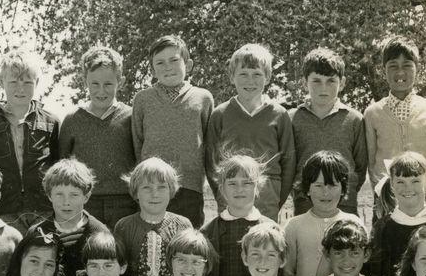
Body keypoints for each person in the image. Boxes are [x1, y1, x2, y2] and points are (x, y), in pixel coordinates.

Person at [204, 43, 296, 220]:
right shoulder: (220, 114)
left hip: (267, 201)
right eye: (243, 74)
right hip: (230, 200)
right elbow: (211, 164)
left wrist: (276, 198)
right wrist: (222, 197)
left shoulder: (279, 114)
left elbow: (289, 162)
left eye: (257, 74)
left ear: (268, 77)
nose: (250, 81)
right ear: (232, 77)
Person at [131, 34, 215, 226]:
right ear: (152, 70)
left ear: (189, 64)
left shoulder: (203, 98)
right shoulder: (142, 99)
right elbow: (137, 142)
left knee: (187, 244)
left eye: (174, 60)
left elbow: (209, 146)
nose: (167, 67)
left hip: (189, 187)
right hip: (151, 187)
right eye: (159, 63)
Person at [0, 49, 60, 232]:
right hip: (3, 211)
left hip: (43, 210)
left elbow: (59, 167)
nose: (20, 89)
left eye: (27, 82)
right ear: (2, 82)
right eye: (13, 82)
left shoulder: (51, 123)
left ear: (37, 83)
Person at [57, 45, 136, 230]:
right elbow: (62, 164)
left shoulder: (131, 117)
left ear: (121, 82)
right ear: (85, 81)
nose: (101, 91)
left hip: (125, 203)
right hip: (84, 203)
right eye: (95, 84)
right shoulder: (72, 120)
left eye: (108, 84)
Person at [364, 35, 426, 208]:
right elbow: (371, 163)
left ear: (417, 69)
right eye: (393, 66)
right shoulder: (372, 113)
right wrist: (383, 198)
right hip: (388, 200)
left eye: (407, 65)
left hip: (425, 199)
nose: (400, 72)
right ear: (383, 70)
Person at [289, 47, 367, 216]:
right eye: (316, 81)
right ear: (304, 83)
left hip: (344, 204)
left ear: (343, 83)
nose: (323, 88)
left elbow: (360, 168)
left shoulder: (354, 119)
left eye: (331, 81)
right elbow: (288, 165)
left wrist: (343, 191)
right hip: (305, 204)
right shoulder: (292, 119)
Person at [365, 151, 426, 276]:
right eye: (400, 182)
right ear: (392, 184)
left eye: (415, 181)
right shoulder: (383, 228)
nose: (408, 188)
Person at [282, 151, 364, 276]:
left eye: (332, 185)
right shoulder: (294, 225)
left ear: (343, 189)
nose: (325, 192)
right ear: (307, 189)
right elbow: (287, 274)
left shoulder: (354, 223)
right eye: (318, 185)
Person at [112, 157, 193, 276]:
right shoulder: (124, 226)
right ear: (136, 192)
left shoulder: (183, 225)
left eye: (161, 187)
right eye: (146, 188)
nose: (154, 194)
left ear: (171, 191)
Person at [31, 158, 109, 276]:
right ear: (49, 195)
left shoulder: (99, 233)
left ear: (86, 196)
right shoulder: (37, 232)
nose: (66, 202)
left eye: (74, 195)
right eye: (59, 194)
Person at [200, 154, 274, 276]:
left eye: (246, 183)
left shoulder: (273, 230)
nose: (239, 189)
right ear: (222, 189)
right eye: (232, 183)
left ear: (257, 187)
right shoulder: (207, 232)